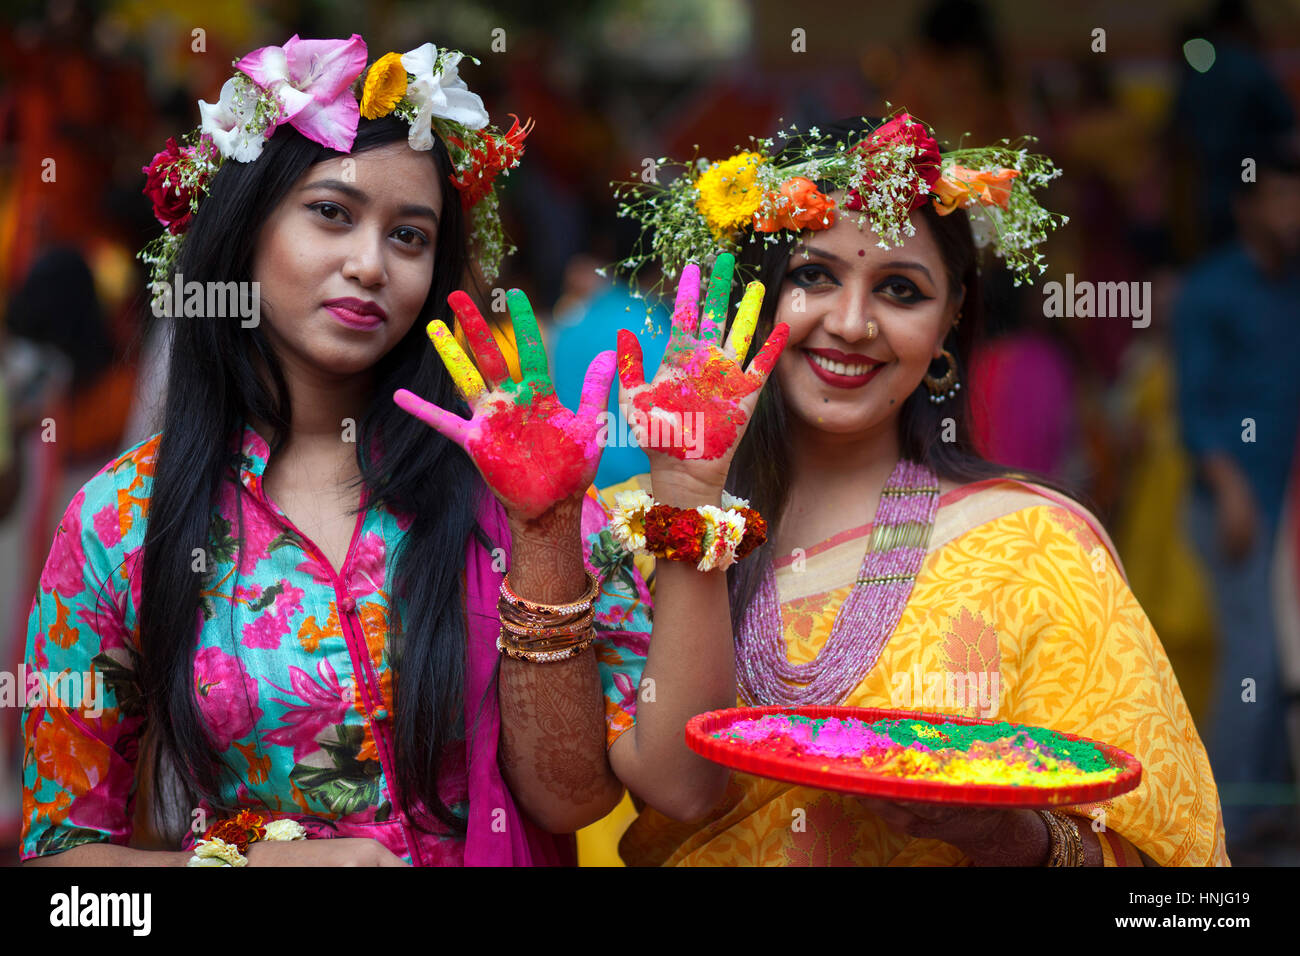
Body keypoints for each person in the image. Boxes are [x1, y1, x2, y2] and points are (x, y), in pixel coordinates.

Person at [20, 34, 650, 867]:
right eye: (331, 214)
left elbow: (573, 800)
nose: (370, 264)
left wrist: (544, 531)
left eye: (410, 237)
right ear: (245, 231)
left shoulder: (516, 483)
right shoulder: (120, 521)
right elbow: (67, 870)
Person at [593, 115, 1228, 866]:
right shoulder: (629, 526)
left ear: (950, 318)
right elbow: (679, 790)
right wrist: (693, 497)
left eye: (900, 289)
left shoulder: (1036, 544)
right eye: (814, 276)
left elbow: (1166, 874)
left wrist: (1003, 832)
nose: (852, 322)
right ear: (760, 291)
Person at [1173, 138, 1300, 861]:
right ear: (1248, 204)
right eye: (1281, 196)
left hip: (1289, 505)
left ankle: (1267, 810)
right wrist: (1230, 491)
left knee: (1283, 655)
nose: (1295, 212)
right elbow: (1195, 409)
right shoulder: (1213, 290)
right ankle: (1213, 826)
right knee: (1252, 658)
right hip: (1236, 501)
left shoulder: (1291, 286)